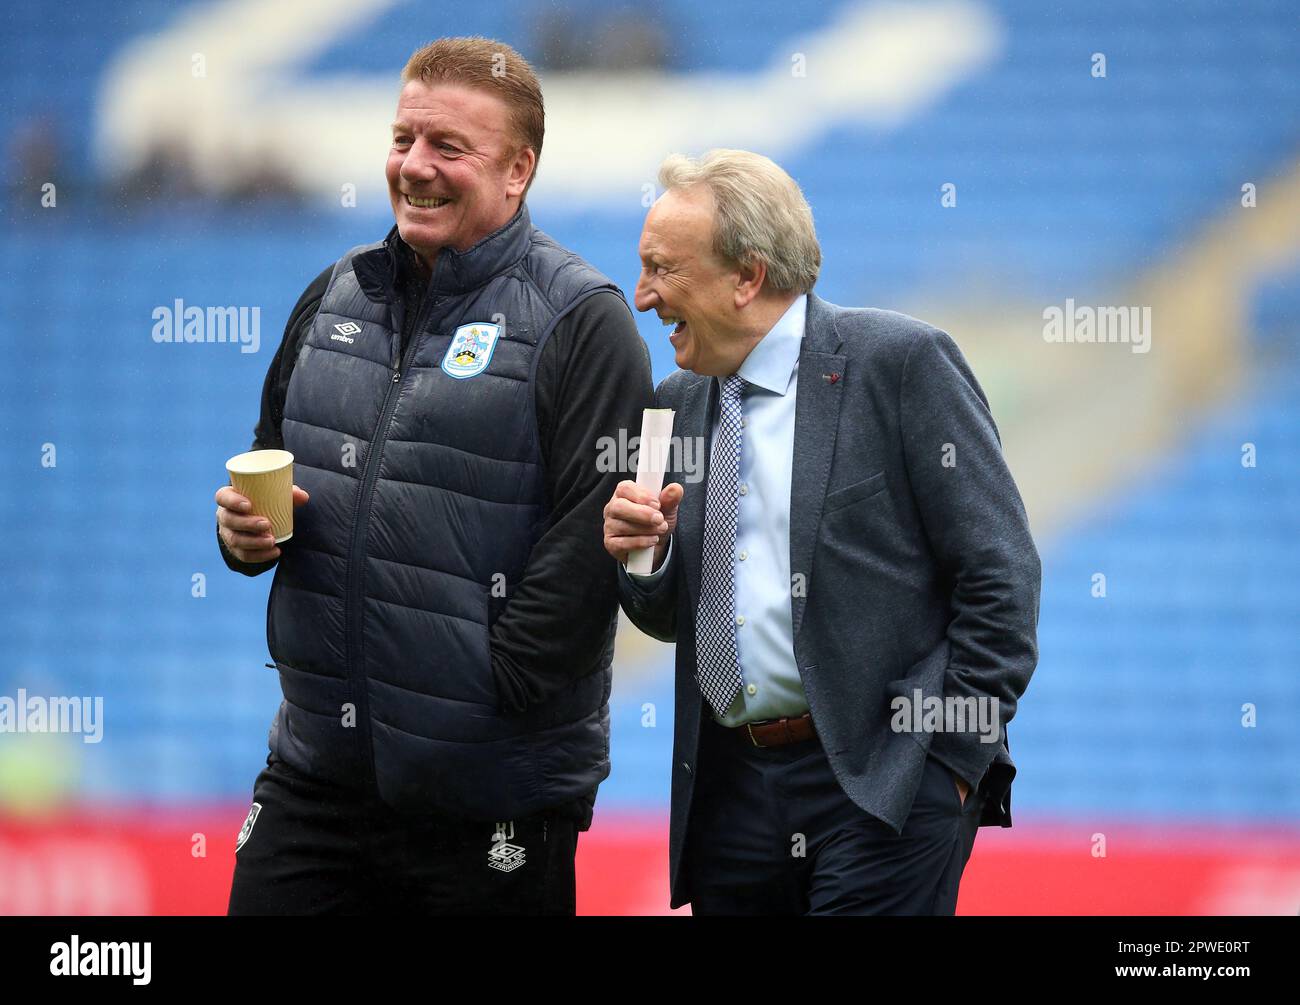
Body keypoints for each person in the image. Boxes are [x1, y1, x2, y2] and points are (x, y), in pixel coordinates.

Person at [215, 37, 653, 915]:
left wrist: (486, 691)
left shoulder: (583, 321)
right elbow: (271, 466)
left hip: (490, 801)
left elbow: (594, 543)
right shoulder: (331, 296)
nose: (415, 166)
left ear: (519, 169)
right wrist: (240, 534)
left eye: (449, 147)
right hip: (316, 778)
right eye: (403, 138)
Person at [603, 149, 1041, 915]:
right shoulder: (674, 402)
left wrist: (947, 766)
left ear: (748, 276)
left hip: (881, 784)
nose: (643, 296)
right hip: (730, 796)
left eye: (663, 269)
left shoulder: (899, 363)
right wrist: (647, 558)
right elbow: (674, 617)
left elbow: (1001, 574)